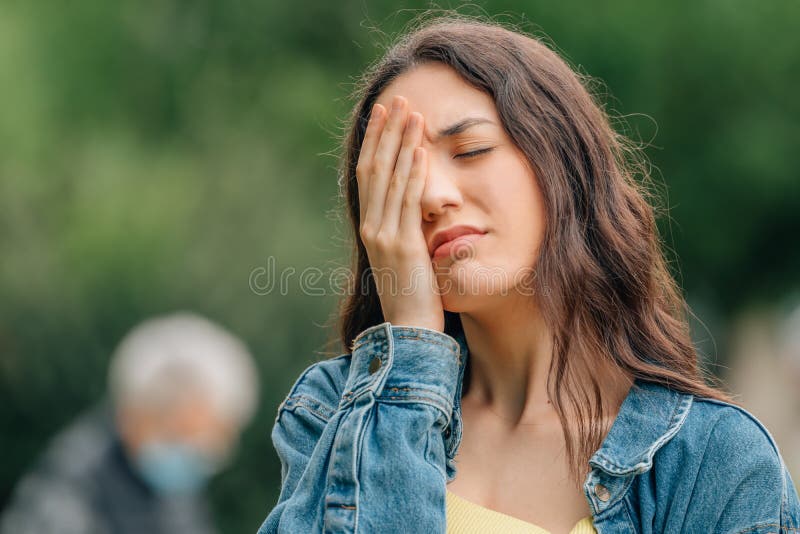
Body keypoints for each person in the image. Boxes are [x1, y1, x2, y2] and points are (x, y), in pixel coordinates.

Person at [257, 13, 800, 534]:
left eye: (471, 150)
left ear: (561, 160)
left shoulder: (714, 462)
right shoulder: (333, 413)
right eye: (399, 178)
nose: (432, 197)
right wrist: (410, 353)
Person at [0, 312, 259, 534]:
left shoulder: (174, 498)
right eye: (179, 434)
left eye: (206, 440)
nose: (192, 451)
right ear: (133, 413)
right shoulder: (64, 499)